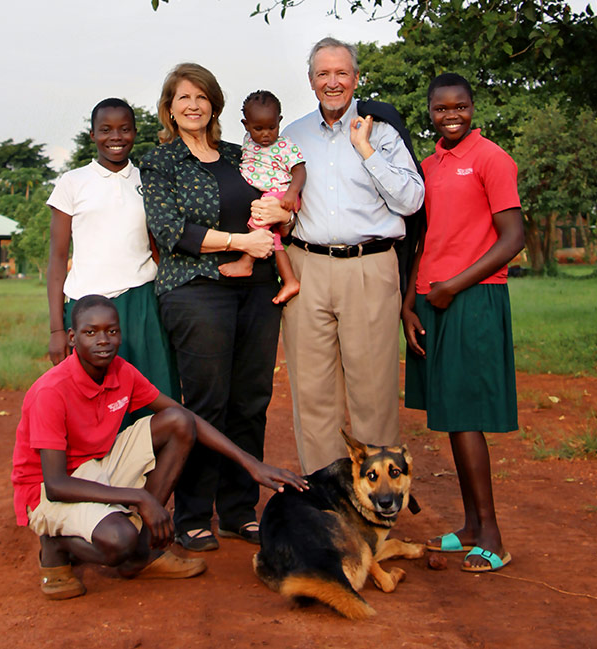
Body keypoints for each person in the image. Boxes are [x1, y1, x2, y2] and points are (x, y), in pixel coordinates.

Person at [11, 295, 306, 599]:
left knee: (179, 422)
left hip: (98, 465)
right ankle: (56, 545)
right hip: (48, 490)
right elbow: (56, 485)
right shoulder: (51, 391)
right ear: (72, 338)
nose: (103, 341)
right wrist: (140, 497)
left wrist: (250, 463)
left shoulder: (121, 371)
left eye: (111, 331)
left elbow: (185, 418)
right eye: (90, 332)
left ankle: (140, 552)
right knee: (120, 540)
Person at [251, 37, 425, 474]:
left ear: (356, 78)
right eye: (323, 74)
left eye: (342, 73)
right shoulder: (292, 136)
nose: (333, 82)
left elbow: (411, 201)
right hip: (306, 268)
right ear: (311, 81)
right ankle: (325, 500)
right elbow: (279, 199)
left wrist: (366, 149)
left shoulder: (381, 132)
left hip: (369, 267)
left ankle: (377, 499)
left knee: (373, 392)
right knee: (312, 393)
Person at [140, 63, 294, 552]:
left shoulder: (239, 154)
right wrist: (239, 242)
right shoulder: (160, 162)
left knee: (251, 400)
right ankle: (191, 514)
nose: (193, 105)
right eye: (183, 97)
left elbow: (275, 198)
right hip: (195, 288)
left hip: (257, 289)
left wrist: (282, 213)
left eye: (201, 97)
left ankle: (238, 510)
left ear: (215, 104)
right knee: (207, 403)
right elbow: (170, 231)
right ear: (169, 108)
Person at [401, 73, 524, 573]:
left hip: (473, 297)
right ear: (429, 112)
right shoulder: (427, 166)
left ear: (473, 107)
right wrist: (409, 302)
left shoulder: (492, 159)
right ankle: (471, 527)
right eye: (441, 108)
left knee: (467, 415)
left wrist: (454, 285)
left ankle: (491, 535)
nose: (451, 115)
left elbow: (513, 237)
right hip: (432, 299)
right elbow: (423, 238)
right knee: (452, 414)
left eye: (460, 106)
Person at [46, 97, 180, 427]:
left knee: (157, 400)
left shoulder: (148, 179)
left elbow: (159, 244)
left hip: (142, 300)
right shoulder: (72, 182)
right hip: (87, 306)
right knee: (97, 409)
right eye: (105, 130)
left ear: (135, 132)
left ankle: (157, 463)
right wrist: (56, 329)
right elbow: (58, 258)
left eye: (124, 129)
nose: (115, 137)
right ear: (92, 134)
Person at [218, 90, 305, 305]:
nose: (266, 134)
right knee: (274, 241)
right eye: (258, 128)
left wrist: (291, 194)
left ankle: (246, 262)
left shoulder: (284, 145)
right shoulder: (248, 141)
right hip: (266, 194)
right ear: (246, 125)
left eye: (272, 127)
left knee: (256, 224)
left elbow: (300, 170)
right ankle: (290, 280)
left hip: (280, 194)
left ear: (279, 121)